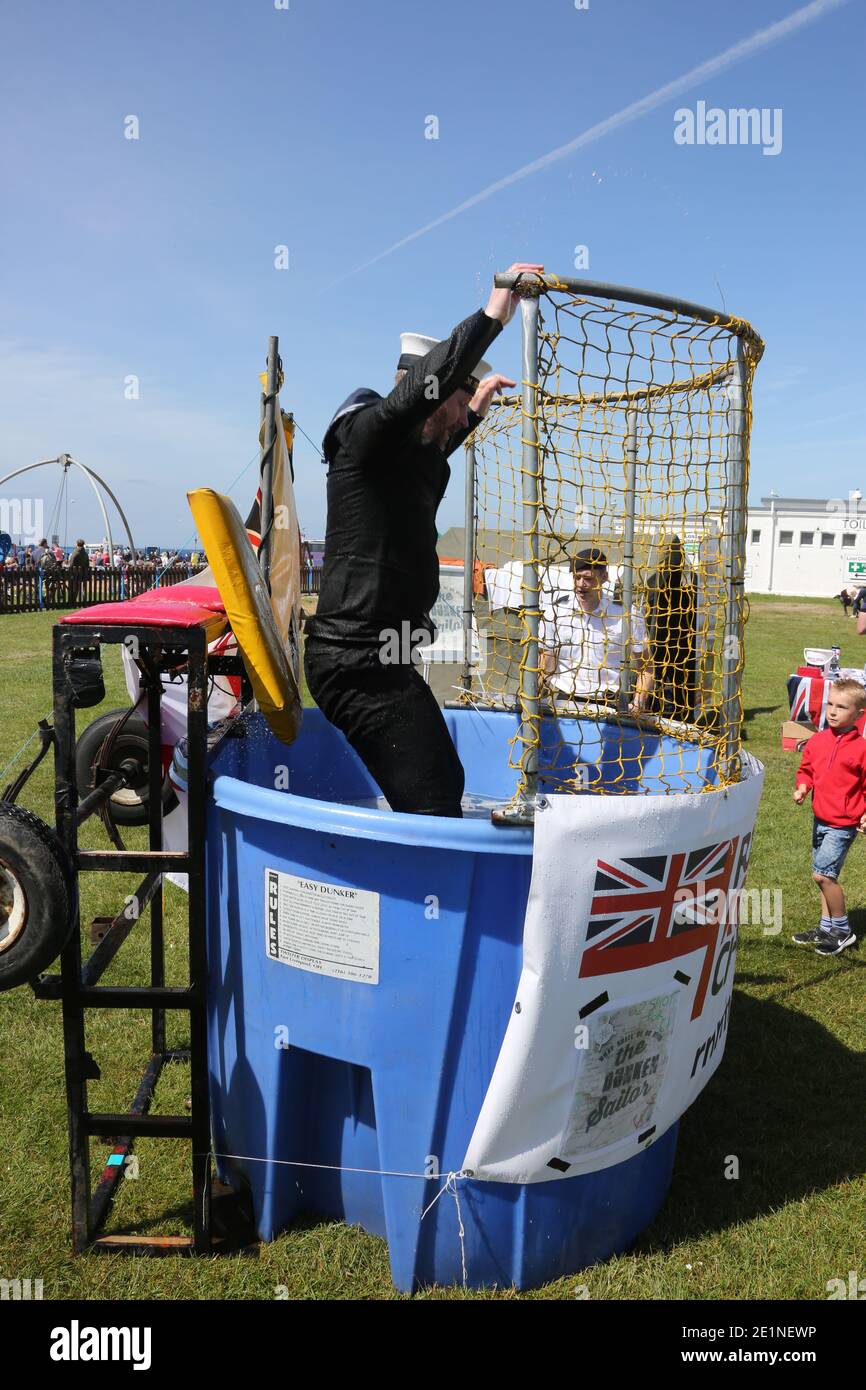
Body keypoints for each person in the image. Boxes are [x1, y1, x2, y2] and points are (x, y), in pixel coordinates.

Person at [303, 261, 542, 817]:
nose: (459, 422)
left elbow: (431, 455)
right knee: (434, 789)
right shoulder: (364, 438)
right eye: (455, 408)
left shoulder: (406, 461)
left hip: (383, 658)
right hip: (355, 663)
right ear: (429, 395)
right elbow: (408, 405)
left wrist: (475, 406)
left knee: (441, 779)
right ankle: (422, 894)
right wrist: (493, 315)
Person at [792, 678, 866, 955]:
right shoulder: (818, 740)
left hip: (842, 824)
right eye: (831, 705)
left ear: (859, 715)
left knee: (823, 876)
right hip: (820, 819)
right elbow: (807, 769)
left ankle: (843, 930)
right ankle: (826, 927)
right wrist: (803, 787)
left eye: (842, 707)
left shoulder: (862, 749)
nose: (833, 711)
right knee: (826, 875)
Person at [539, 548, 654, 714]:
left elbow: (647, 667)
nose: (580, 584)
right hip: (563, 702)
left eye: (588, 578)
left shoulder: (626, 615)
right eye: (576, 578)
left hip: (610, 705)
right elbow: (547, 663)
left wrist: (638, 703)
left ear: (604, 577)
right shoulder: (555, 612)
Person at [644, 536, 698, 720]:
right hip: (660, 644)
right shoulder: (655, 586)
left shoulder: (681, 592)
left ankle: (672, 712)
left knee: (671, 685)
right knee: (658, 680)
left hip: (677, 646)